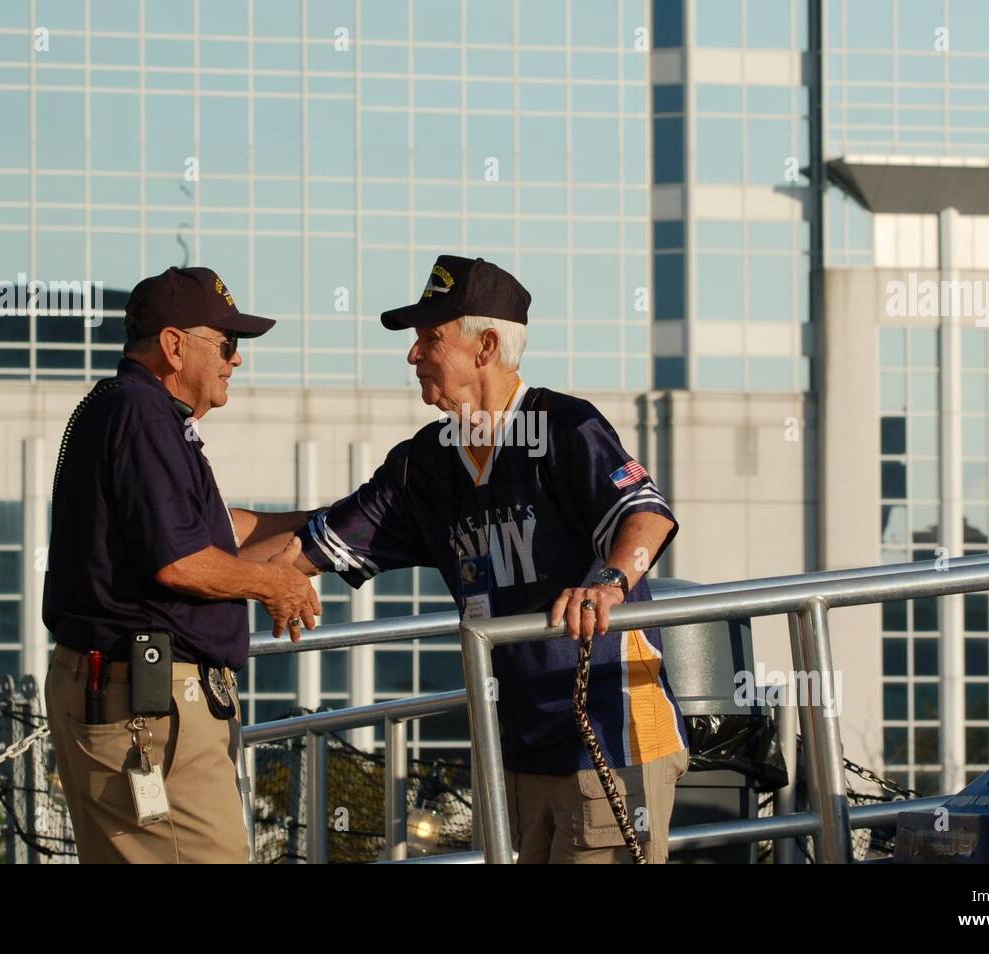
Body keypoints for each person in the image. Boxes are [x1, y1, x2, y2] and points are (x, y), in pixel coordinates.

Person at [254, 255, 689, 863]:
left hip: (610, 743)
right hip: (511, 751)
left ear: (485, 345)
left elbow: (648, 514)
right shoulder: (421, 465)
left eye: (430, 338)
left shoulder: (563, 426)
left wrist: (608, 584)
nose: (413, 355)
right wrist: (194, 554)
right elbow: (307, 545)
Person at [42, 265, 319, 863]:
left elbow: (217, 528)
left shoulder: (136, 412)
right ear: (173, 346)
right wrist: (274, 583)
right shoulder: (142, 417)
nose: (235, 361)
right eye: (227, 345)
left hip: (126, 695)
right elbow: (180, 561)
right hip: (144, 708)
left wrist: (334, 523)